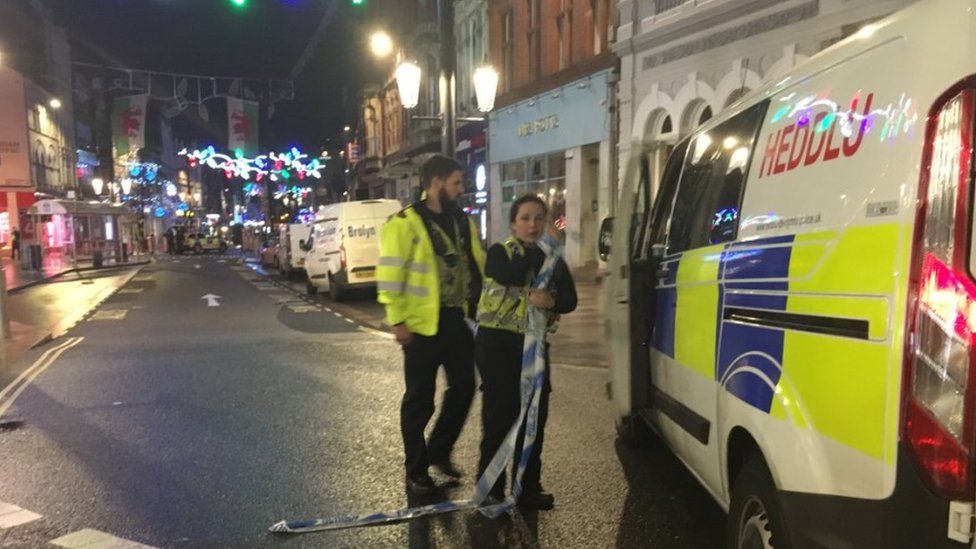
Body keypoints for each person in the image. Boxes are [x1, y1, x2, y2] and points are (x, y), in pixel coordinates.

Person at [377, 155, 486, 497]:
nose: (461, 189)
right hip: (421, 326)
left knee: (465, 386)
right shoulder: (405, 223)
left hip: (454, 320)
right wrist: (397, 319)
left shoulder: (461, 221)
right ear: (437, 183)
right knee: (420, 402)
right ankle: (416, 469)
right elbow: (391, 273)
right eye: (456, 182)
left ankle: (439, 450)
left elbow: (478, 264)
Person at [475, 194, 577, 511]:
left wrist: (551, 301)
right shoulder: (500, 252)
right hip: (498, 348)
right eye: (525, 218)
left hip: (534, 350)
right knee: (499, 420)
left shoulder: (552, 258)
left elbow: (571, 300)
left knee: (535, 419)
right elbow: (510, 273)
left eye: (538, 218)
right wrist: (550, 254)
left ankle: (527, 488)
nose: (532, 225)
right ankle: (491, 488)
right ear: (513, 223)